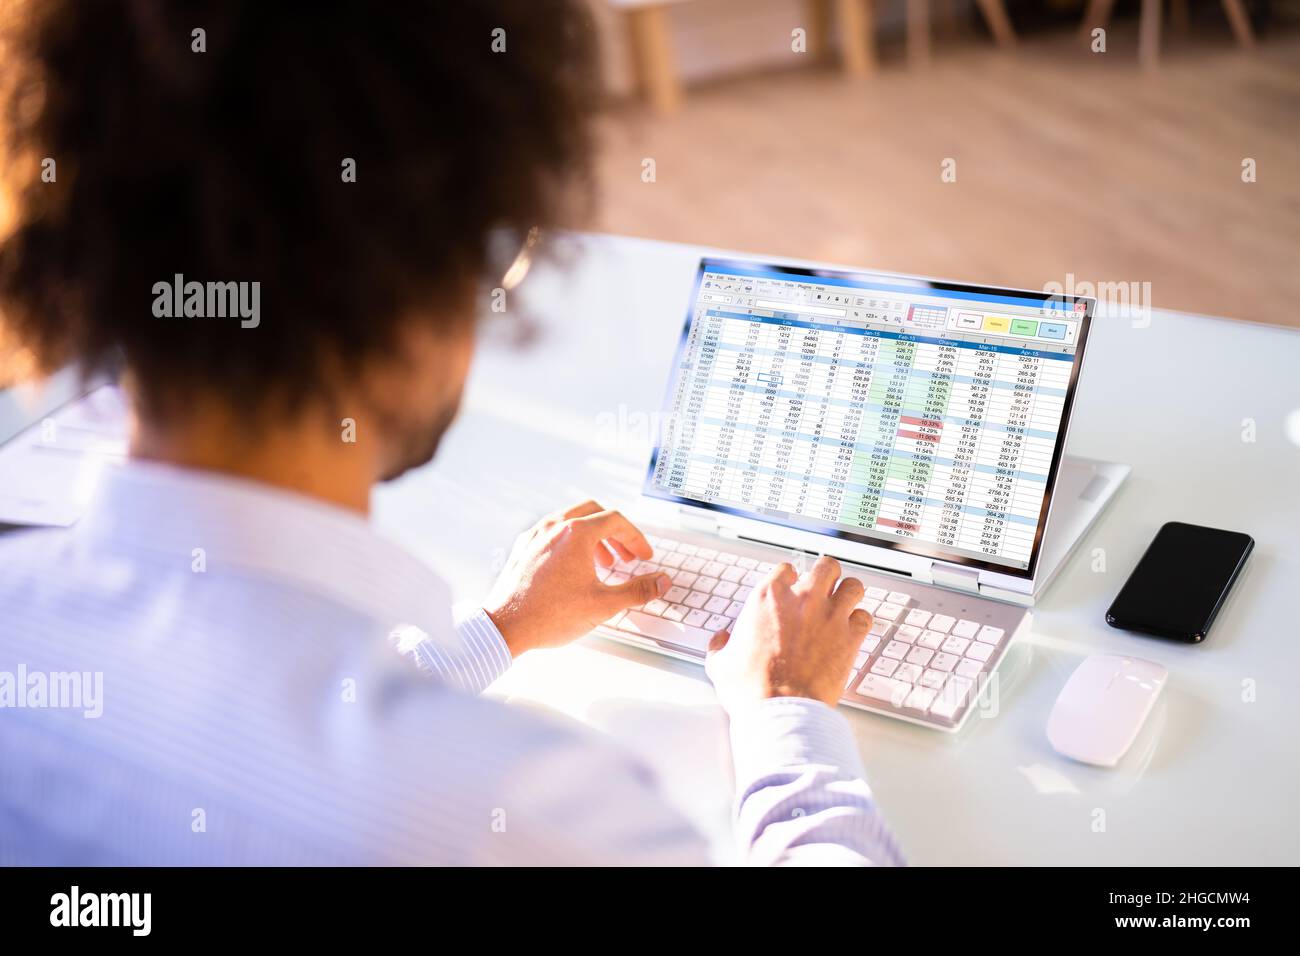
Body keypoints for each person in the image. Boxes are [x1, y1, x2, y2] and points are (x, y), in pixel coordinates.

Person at [0, 0, 902, 866]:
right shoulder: (530, 815)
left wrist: (501, 628)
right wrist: (789, 713)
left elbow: (253, 714)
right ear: (412, 295)